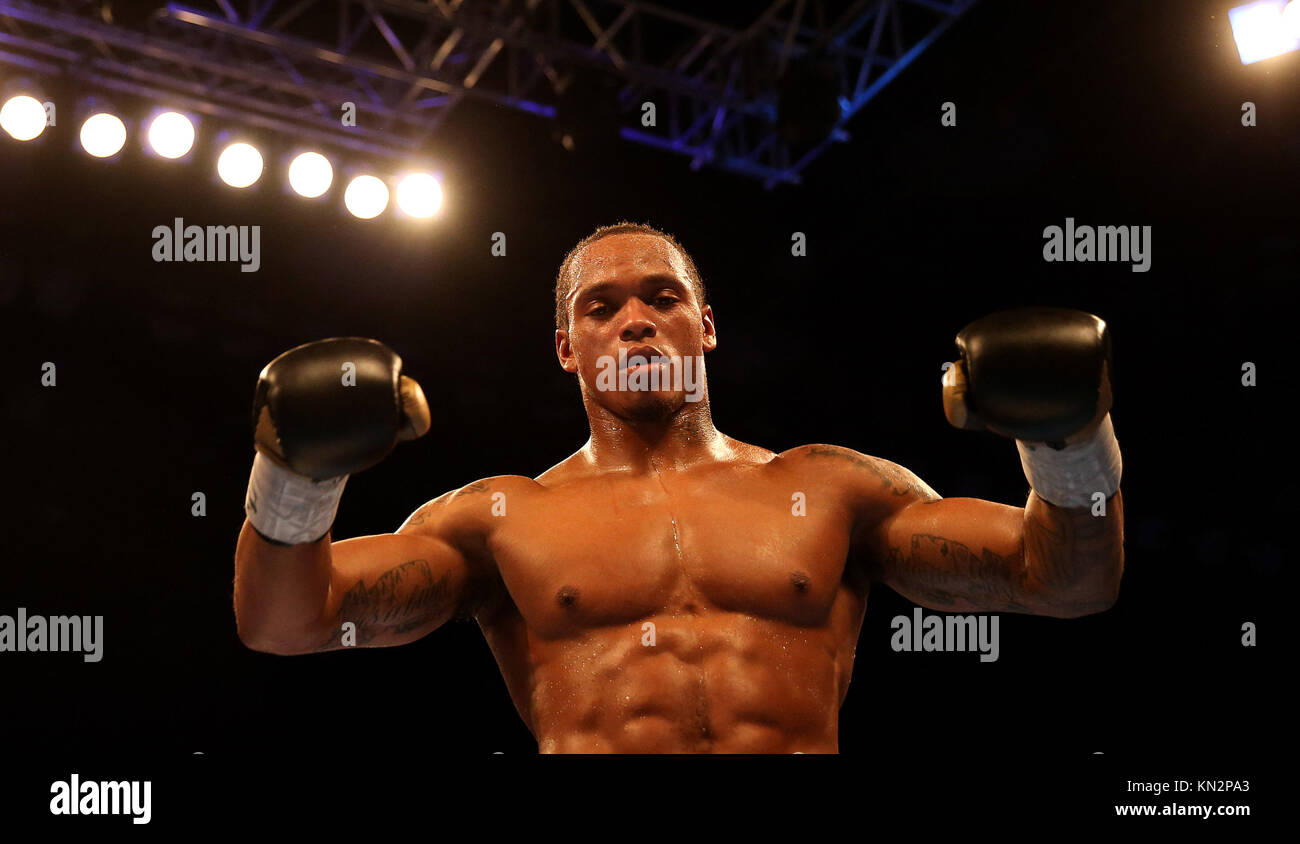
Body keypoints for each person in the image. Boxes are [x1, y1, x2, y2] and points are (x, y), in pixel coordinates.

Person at [233, 222, 1124, 753]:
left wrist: (1070, 442)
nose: (635, 321)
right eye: (600, 307)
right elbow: (285, 623)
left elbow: (1066, 583)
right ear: (566, 349)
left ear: (704, 327)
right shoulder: (498, 519)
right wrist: (295, 478)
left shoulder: (831, 486)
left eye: (661, 297)